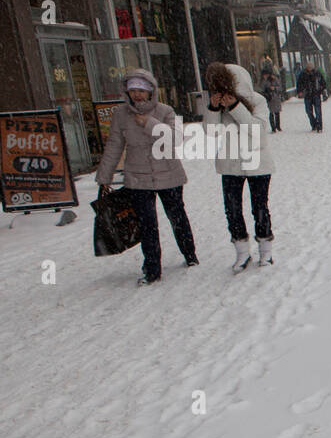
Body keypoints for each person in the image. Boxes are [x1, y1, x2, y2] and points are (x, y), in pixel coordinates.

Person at [95, 68, 197, 285]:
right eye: (133, 90)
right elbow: (114, 145)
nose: (137, 95)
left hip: (169, 175)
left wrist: (149, 123)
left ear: (151, 91)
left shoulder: (166, 111)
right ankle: (152, 269)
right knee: (146, 224)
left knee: (177, 217)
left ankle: (190, 255)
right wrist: (104, 176)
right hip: (137, 178)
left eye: (142, 90)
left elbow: (176, 139)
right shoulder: (121, 115)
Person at [204, 63, 276, 271]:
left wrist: (236, 107)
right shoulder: (218, 104)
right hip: (230, 164)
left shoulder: (258, 100)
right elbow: (210, 132)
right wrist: (213, 109)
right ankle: (242, 253)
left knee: (259, 207)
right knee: (232, 210)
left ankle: (266, 251)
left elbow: (258, 130)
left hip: (258, 162)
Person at [298, 62, 326, 132]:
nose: (309, 69)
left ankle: (319, 126)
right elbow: (299, 83)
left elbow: (323, 83)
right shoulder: (303, 74)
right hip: (307, 95)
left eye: (311, 67)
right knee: (308, 111)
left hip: (316, 94)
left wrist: (321, 90)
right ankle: (314, 124)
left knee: (318, 111)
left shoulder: (317, 73)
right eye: (308, 67)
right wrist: (300, 91)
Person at [260, 68, 283, 132]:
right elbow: (261, 89)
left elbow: (280, 87)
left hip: (275, 98)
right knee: (271, 113)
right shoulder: (264, 81)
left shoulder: (275, 80)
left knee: (277, 113)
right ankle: (273, 127)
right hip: (269, 98)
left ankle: (278, 126)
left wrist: (274, 88)